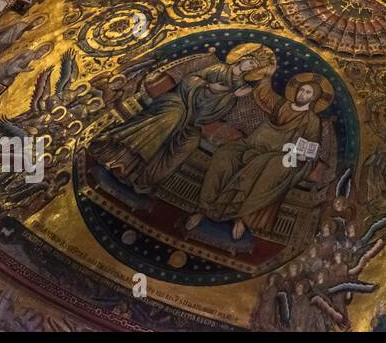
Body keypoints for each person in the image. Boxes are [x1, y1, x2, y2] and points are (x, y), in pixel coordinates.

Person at [93, 43, 277, 193]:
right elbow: (189, 82)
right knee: (172, 117)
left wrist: (232, 96)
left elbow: (216, 113)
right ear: (243, 57)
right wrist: (209, 88)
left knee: (190, 141)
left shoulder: (240, 88)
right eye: (251, 61)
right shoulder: (217, 67)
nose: (250, 66)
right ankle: (120, 158)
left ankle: (144, 179)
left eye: (255, 67)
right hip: (178, 102)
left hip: (193, 120)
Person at [187, 71, 332, 240]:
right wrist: (267, 76)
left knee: (272, 166)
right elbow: (263, 96)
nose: (302, 94)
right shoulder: (282, 105)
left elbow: (312, 144)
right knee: (225, 154)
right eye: (301, 90)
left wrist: (302, 155)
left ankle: (242, 217)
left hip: (283, 154)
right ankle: (203, 208)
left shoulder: (312, 120)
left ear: (314, 97)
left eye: (308, 92)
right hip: (253, 144)